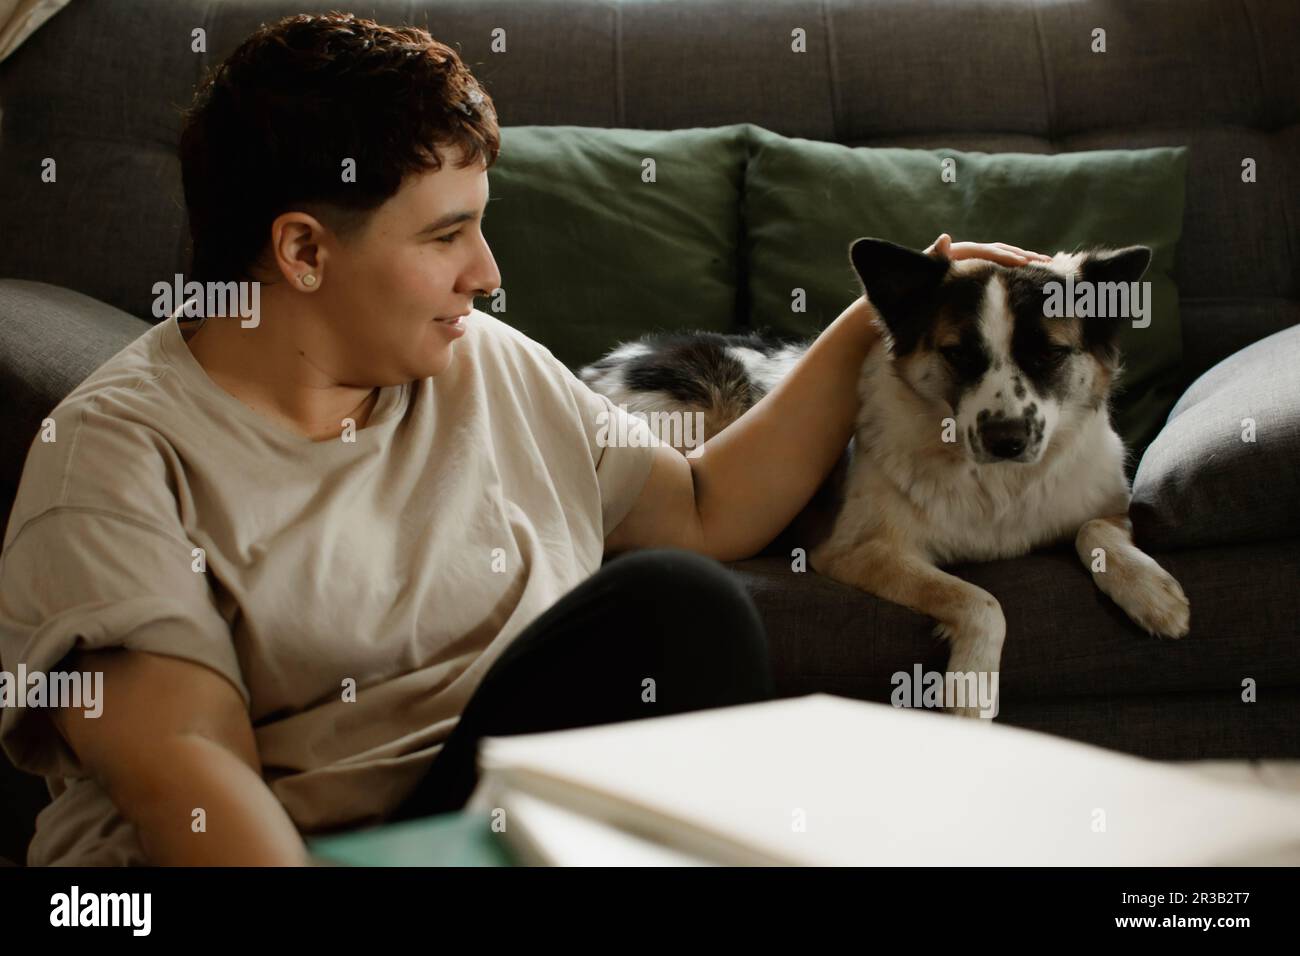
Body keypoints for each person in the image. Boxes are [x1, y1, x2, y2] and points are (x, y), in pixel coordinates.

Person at [0, 12, 1048, 866]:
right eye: (447, 233)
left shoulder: (479, 364)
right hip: (303, 856)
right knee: (670, 612)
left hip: (499, 819)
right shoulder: (116, 455)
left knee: (683, 610)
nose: (487, 273)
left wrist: (880, 318)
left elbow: (700, 508)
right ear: (304, 250)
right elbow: (191, 777)